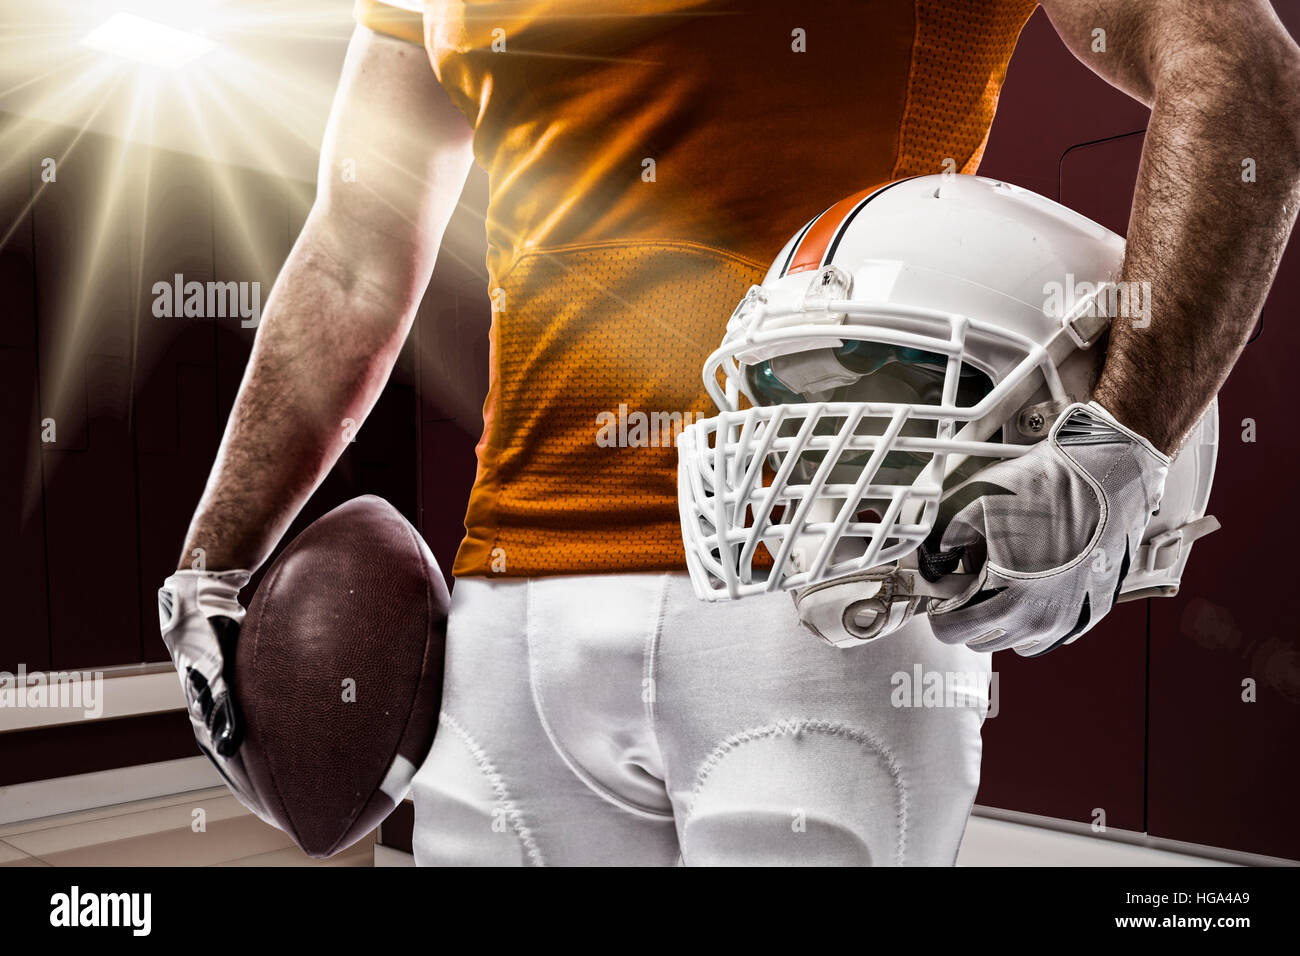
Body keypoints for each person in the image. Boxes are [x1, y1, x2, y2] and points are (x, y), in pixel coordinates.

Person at [159, 0, 1300, 865]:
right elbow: (357, 245)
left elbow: (1241, 75)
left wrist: (1115, 447)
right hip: (503, 615)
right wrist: (211, 563)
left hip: (824, 588)